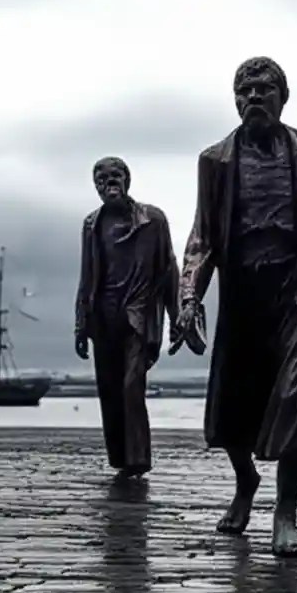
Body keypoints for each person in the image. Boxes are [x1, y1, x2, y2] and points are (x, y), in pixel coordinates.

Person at [174, 56, 297, 557]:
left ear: (283, 96)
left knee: (294, 405)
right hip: (242, 300)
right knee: (232, 414)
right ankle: (246, 482)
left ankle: (286, 515)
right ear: (235, 100)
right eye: (244, 90)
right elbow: (202, 238)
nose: (254, 96)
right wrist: (189, 297)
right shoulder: (214, 161)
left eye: (264, 88)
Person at [74, 156, 179, 478]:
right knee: (109, 389)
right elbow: (86, 275)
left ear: (127, 179)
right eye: (101, 178)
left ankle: (138, 459)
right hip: (103, 316)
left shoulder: (153, 219)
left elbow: (168, 269)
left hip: (138, 315)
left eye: (115, 175)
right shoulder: (91, 224)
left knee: (132, 386)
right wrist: (80, 325)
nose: (108, 182)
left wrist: (178, 317)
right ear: (95, 186)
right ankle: (120, 459)